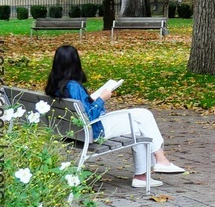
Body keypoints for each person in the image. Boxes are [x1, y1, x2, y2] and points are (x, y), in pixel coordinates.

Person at [44, 44, 185, 188]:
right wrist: (102, 99)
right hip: (94, 130)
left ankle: (142, 176)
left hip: (73, 131)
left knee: (139, 129)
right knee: (144, 115)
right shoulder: (73, 86)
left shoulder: (55, 84)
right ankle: (160, 159)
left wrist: (92, 99)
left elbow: (82, 109)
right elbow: (90, 117)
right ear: (75, 63)